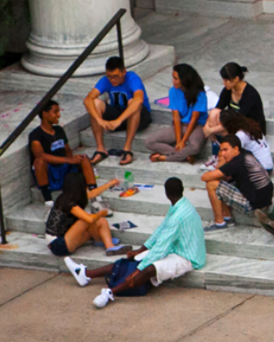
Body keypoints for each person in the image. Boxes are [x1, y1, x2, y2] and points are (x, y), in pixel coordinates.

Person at [62, 178, 206, 309]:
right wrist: (140, 251)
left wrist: (139, 270)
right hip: (178, 249)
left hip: (188, 258)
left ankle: (110, 292)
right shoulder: (181, 204)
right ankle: (86, 274)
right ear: (181, 190)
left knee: (148, 268)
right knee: (134, 259)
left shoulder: (179, 216)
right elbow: (161, 230)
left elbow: (162, 246)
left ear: (166, 193)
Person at [200, 135, 274, 235]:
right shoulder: (246, 154)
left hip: (254, 207)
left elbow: (205, 177)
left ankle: (220, 223)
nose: (223, 154)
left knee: (212, 184)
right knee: (223, 179)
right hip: (264, 201)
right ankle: (228, 218)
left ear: (235, 148)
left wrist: (220, 164)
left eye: (225, 150)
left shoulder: (236, 163)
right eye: (221, 151)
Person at [83, 56, 152, 166]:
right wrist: (100, 121)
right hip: (117, 113)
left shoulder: (132, 78)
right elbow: (87, 100)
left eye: (116, 76)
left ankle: (127, 149)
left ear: (123, 71)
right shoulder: (106, 80)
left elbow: (139, 99)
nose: (112, 80)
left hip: (139, 117)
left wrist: (118, 121)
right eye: (109, 77)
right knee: (95, 102)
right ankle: (101, 149)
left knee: (133, 102)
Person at [28, 100, 97, 205]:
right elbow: (40, 155)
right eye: (55, 112)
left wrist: (72, 162)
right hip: (50, 173)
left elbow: (67, 150)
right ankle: (49, 203)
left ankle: (95, 197)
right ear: (44, 113)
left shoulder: (59, 130)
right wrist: (68, 160)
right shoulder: (35, 135)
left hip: (64, 170)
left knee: (84, 158)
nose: (58, 115)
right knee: (39, 162)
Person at [45, 173, 129, 256]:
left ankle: (108, 245)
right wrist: (101, 213)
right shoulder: (69, 203)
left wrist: (110, 183)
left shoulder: (70, 196)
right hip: (58, 244)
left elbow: (93, 193)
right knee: (86, 219)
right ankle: (103, 240)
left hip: (66, 238)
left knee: (101, 221)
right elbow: (90, 219)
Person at [203, 62, 266, 169]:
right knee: (214, 113)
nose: (224, 83)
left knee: (221, 129)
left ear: (236, 79)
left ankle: (222, 158)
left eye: (227, 80)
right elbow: (218, 108)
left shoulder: (250, 94)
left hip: (250, 127)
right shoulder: (228, 90)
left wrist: (211, 130)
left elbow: (239, 119)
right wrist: (206, 126)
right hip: (233, 122)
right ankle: (216, 155)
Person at [146, 64, 208, 163]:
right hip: (180, 124)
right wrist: (179, 141)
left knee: (195, 147)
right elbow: (176, 117)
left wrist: (183, 141)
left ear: (184, 80)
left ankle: (164, 157)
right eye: (173, 78)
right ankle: (184, 155)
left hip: (197, 125)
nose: (173, 81)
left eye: (176, 79)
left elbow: (194, 119)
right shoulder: (173, 91)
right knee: (149, 142)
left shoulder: (200, 94)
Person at [220, 109, 273, 173]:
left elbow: (231, 155)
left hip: (261, 169)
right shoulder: (250, 126)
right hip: (267, 166)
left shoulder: (240, 135)